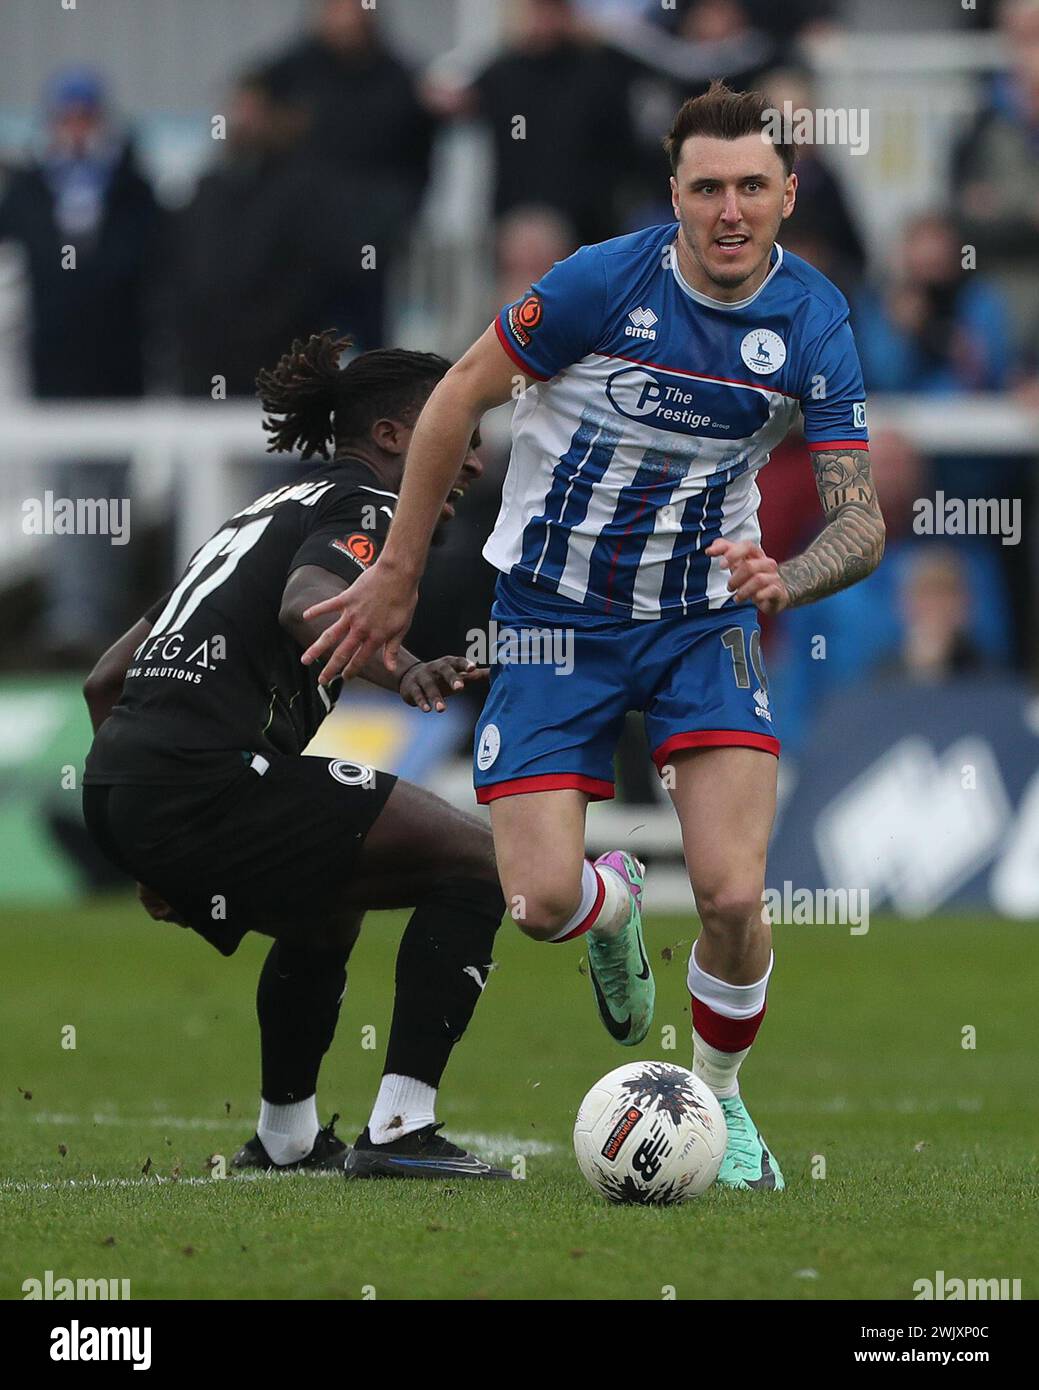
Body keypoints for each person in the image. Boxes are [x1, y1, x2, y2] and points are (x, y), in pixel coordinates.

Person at [301, 81, 887, 1192]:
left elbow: (860, 516)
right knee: (535, 904)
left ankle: (719, 1099)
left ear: (787, 195)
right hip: (549, 621)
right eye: (706, 187)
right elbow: (452, 402)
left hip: (697, 620)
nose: (729, 210)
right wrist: (397, 574)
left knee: (727, 893)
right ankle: (610, 909)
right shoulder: (593, 288)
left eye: (751, 187)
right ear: (673, 194)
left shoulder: (812, 318)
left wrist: (787, 573)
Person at [81, 333, 512, 1181]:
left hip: (125, 780)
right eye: (458, 427)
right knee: (479, 862)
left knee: (327, 897)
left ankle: (286, 1139)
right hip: (199, 776)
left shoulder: (258, 513)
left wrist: (142, 833)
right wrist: (403, 665)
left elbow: (106, 678)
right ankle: (400, 1128)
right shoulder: (369, 507)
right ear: (395, 438)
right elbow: (306, 604)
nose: (471, 457)